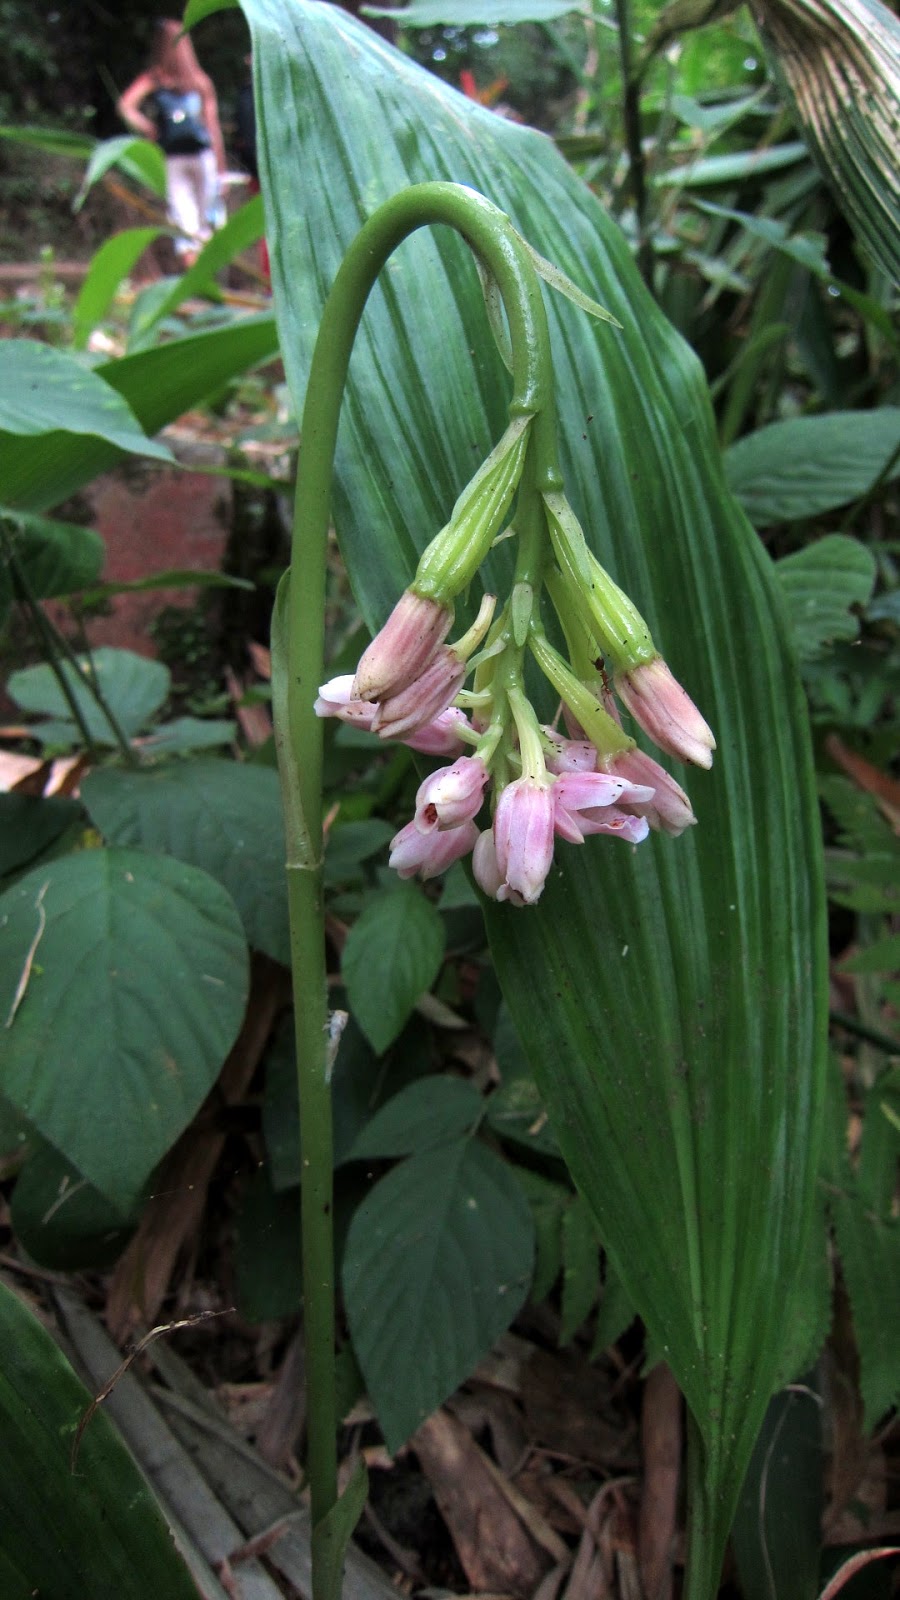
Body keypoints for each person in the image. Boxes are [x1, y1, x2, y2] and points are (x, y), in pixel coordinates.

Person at [117, 20, 227, 267]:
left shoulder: (154, 79)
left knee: (185, 225)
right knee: (205, 223)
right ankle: (208, 278)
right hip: (203, 156)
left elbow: (125, 106)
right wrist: (221, 168)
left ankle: (196, 280)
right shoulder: (200, 81)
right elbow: (212, 126)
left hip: (172, 158)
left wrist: (149, 128)